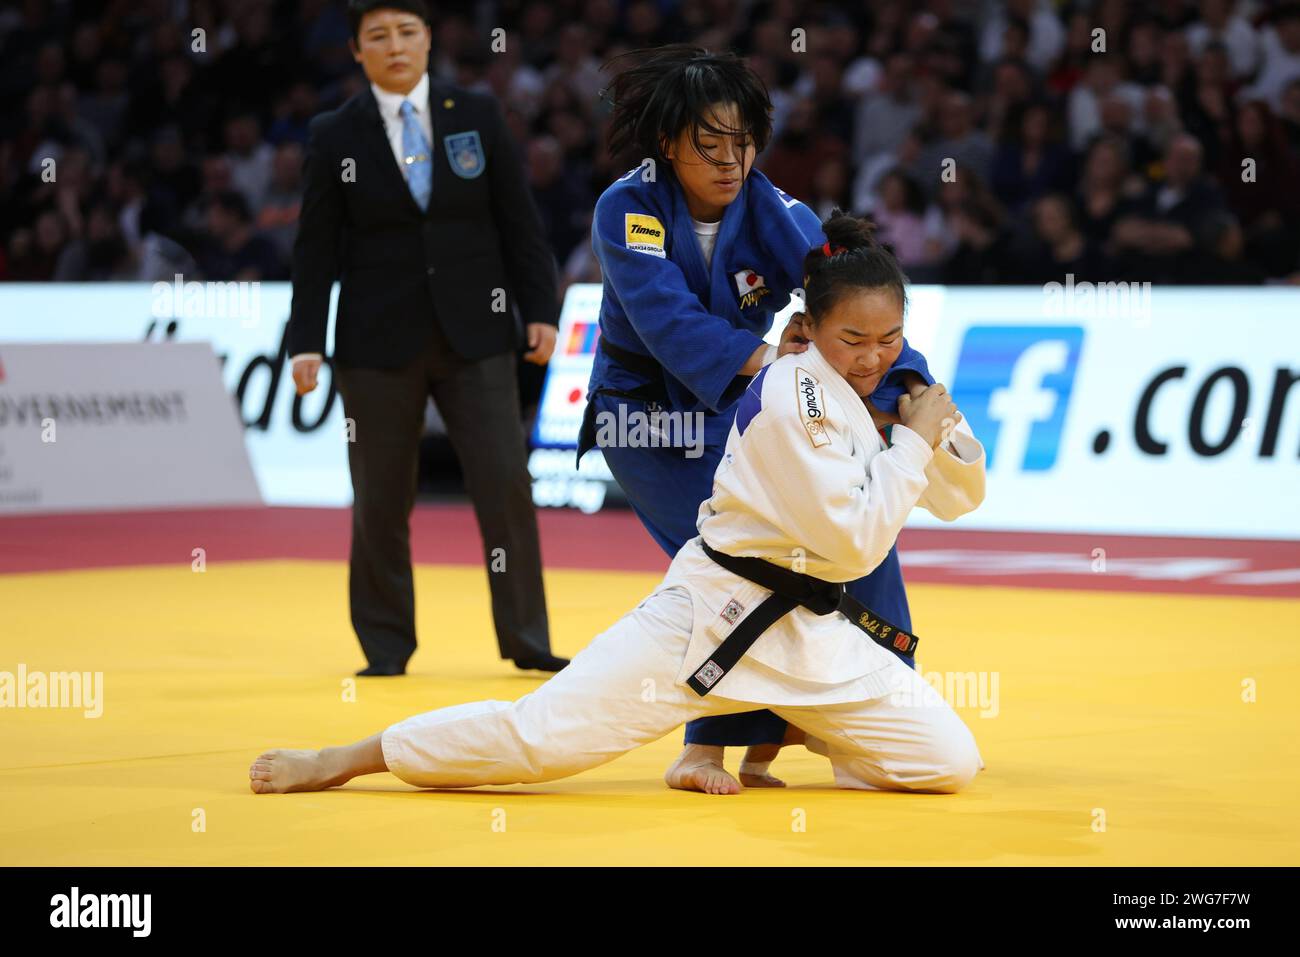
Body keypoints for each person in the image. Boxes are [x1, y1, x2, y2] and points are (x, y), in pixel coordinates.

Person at [248, 212, 988, 798]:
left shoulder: (881, 388)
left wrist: (931, 420)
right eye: (853, 338)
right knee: (535, 739)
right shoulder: (790, 392)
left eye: (890, 339)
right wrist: (912, 446)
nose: (872, 355)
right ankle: (348, 757)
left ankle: (816, 727)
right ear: (807, 328)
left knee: (950, 760)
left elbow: (961, 497)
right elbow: (858, 542)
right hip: (713, 617)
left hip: (812, 635)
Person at [579, 45, 940, 793]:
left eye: (740, 141)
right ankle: (706, 746)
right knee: (730, 564)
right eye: (707, 144)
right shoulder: (628, 208)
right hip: (646, 419)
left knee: (854, 528)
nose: (728, 160)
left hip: (738, 414)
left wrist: (913, 386)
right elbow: (668, 323)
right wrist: (775, 357)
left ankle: (873, 704)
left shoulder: (781, 214)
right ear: (666, 142)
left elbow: (855, 304)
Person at [286, 0, 566, 676]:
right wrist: (305, 340)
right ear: (356, 51)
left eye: (407, 32)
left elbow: (517, 221)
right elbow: (314, 247)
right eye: (377, 36)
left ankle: (528, 639)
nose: (395, 45)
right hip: (374, 339)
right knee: (380, 495)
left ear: (430, 39)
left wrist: (540, 308)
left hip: (477, 330)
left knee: (504, 484)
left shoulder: (474, 113)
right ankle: (385, 647)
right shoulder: (335, 132)